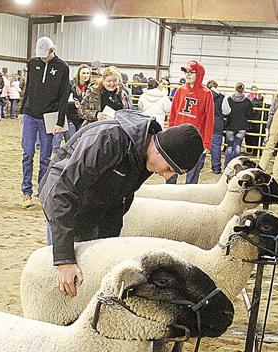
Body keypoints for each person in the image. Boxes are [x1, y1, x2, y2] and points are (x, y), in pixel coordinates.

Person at [40, 113, 204, 296]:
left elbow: (120, 200)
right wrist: (64, 260)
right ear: (159, 150)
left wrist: (107, 246)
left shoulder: (145, 158)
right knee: (66, 281)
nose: (167, 176)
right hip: (63, 203)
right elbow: (64, 190)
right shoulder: (108, 140)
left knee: (89, 276)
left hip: (94, 208)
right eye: (169, 168)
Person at [20, 36, 70, 207]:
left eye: (45, 53)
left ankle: (42, 190)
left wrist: (60, 120)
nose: (42, 56)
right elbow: (28, 88)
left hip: (48, 117)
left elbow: (64, 96)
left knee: (45, 157)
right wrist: (21, 110)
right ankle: (26, 192)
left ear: (52, 50)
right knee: (27, 153)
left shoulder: (62, 67)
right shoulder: (33, 63)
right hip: (29, 114)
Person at [168, 61, 213, 184]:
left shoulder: (206, 93)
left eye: (191, 72)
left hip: (195, 139)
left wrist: (207, 142)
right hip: (177, 136)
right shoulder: (180, 90)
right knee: (171, 169)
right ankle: (169, 193)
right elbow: (173, 114)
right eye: (186, 72)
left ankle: (189, 195)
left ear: (198, 74)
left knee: (193, 172)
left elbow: (209, 120)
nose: (187, 75)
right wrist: (169, 133)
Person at [222, 82, 253, 167]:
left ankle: (227, 165)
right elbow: (250, 114)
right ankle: (234, 165)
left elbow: (225, 112)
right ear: (243, 90)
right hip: (242, 126)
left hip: (230, 125)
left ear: (235, 88)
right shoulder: (247, 101)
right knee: (237, 146)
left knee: (229, 146)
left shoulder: (229, 100)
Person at [206, 79, 224, 174]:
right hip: (217, 123)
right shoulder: (222, 97)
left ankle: (198, 166)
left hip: (205, 123)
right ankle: (216, 168)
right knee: (216, 146)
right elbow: (226, 111)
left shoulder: (205, 95)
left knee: (202, 144)